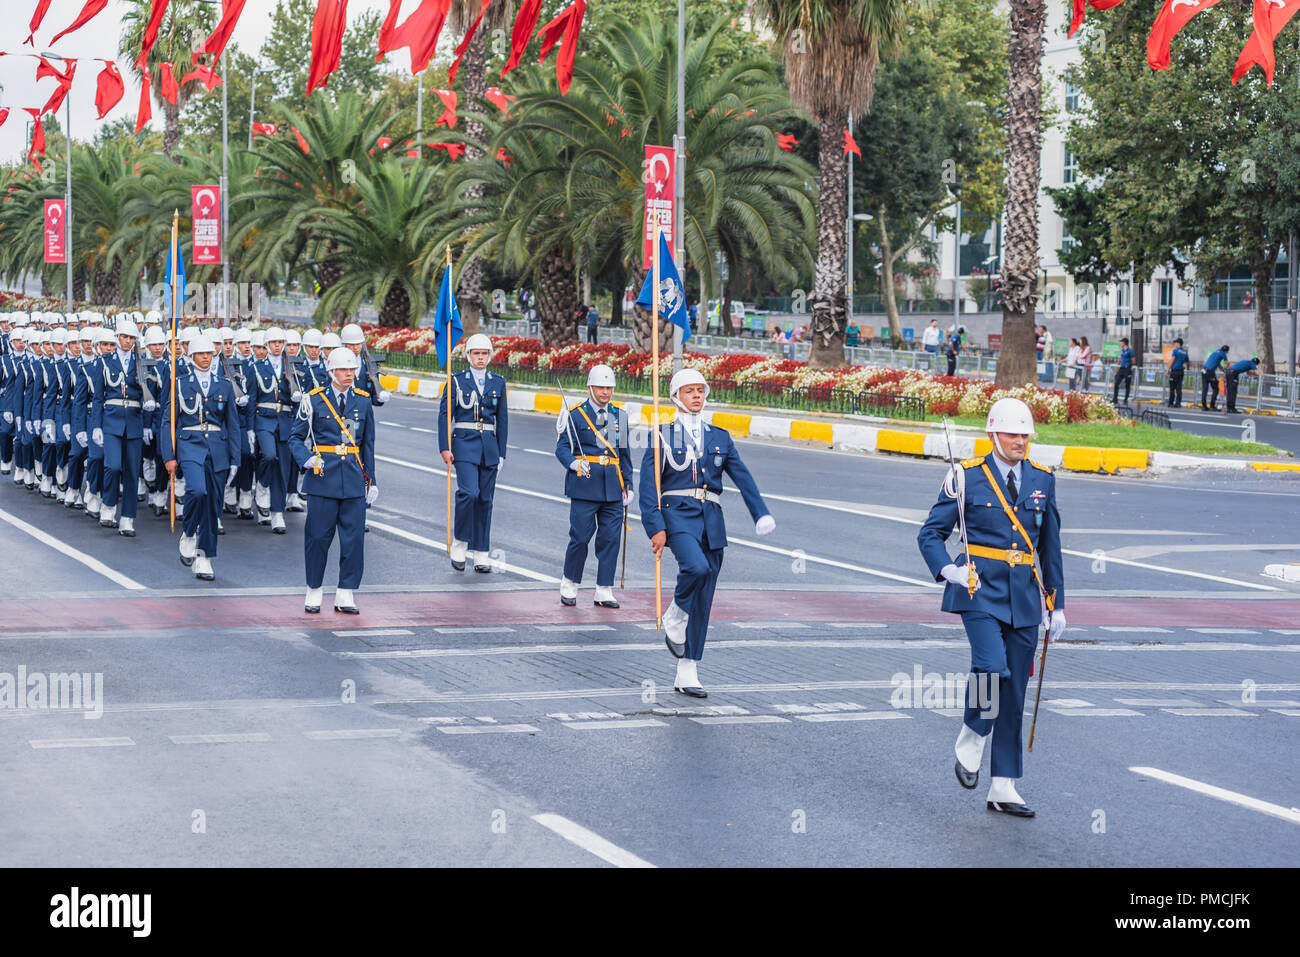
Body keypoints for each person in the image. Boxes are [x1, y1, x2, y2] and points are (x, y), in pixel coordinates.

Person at [916, 397, 1066, 818]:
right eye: (1012, 434)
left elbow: (1050, 548)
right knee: (990, 668)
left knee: (1014, 690)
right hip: (977, 588)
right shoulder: (966, 478)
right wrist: (949, 570)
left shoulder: (1043, 480)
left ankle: (1003, 785)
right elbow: (930, 534)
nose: (1020, 441)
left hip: (1025, 597)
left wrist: (1056, 603)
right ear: (992, 434)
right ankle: (972, 733)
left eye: (1025, 435)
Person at [640, 368, 776, 697]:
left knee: (704, 596)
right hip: (678, 516)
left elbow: (743, 478)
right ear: (675, 396)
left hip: (712, 519)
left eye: (700, 390)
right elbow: (648, 488)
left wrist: (761, 513)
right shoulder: (662, 435)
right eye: (689, 391)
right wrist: (655, 527)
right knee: (695, 568)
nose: (696, 396)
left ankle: (687, 670)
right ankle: (675, 613)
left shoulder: (720, 437)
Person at [291, 346, 378, 614]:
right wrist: (306, 459)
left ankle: (345, 592)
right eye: (344, 369)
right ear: (331, 372)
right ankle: (314, 589)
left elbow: (367, 445)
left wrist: (371, 481)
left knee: (353, 540)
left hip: (352, 480)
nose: (350, 374)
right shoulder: (314, 400)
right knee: (317, 537)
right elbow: (295, 437)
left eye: (352, 369)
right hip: (322, 478)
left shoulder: (363, 401)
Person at [160, 335, 241, 581]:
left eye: (209, 353)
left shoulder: (224, 385)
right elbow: (168, 422)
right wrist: (169, 455)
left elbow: (233, 424)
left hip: (218, 448)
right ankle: (188, 532)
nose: (206, 357)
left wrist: (235, 458)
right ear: (191, 356)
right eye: (201, 353)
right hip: (190, 445)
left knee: (213, 505)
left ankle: (204, 558)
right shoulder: (180, 383)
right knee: (197, 491)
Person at [555, 364, 634, 608]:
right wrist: (573, 464)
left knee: (610, 538)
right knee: (579, 538)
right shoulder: (575, 414)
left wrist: (628, 485)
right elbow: (562, 447)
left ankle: (604, 589)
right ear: (590, 387)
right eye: (600, 387)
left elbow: (624, 454)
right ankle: (570, 583)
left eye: (609, 388)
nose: (605, 392)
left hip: (612, 486)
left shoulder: (620, 416)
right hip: (585, 485)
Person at [438, 333, 508, 572]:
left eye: (484, 354)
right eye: (476, 353)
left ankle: (481, 552)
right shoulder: (456, 381)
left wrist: (501, 453)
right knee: (469, 493)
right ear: (468, 356)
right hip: (464, 445)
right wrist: (444, 446)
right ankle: (459, 542)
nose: (480, 358)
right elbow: (445, 415)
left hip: (489, 447)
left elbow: (503, 420)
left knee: (485, 500)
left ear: (490, 356)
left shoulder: (498, 382)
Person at [92, 318, 153, 536]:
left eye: (131, 338)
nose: (127, 341)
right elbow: (98, 397)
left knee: (132, 472)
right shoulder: (105, 362)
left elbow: (149, 394)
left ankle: (127, 517)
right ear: (117, 338)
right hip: (111, 421)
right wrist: (96, 426)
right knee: (113, 466)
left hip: (134, 421)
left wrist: (147, 419)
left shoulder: (141, 362)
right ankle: (108, 506)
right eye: (124, 337)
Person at [249, 327, 296, 533]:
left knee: (283, 468)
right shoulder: (257, 368)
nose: (277, 345)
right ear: (267, 345)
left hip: (285, 421)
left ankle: (277, 514)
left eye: (280, 342)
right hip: (264, 420)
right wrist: (250, 429)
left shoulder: (292, 368)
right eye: (273, 342)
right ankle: (262, 483)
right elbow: (251, 400)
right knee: (268, 456)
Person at [1201, 344, 1230, 410]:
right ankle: (1212, 406)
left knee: (1204, 389)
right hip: (1210, 372)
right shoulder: (1223, 353)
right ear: (1226, 351)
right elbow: (1227, 363)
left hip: (1204, 370)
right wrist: (1229, 370)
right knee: (1216, 388)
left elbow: (1218, 363)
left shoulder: (1216, 351)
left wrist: (1223, 370)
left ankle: (1204, 406)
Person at [1112, 337, 1135, 405]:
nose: (1121, 343)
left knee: (1127, 385)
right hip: (1121, 369)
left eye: (1121, 342)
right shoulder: (1122, 350)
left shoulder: (1129, 351)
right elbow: (1121, 358)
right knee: (1116, 383)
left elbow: (1133, 361)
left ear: (1124, 343)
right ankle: (1115, 399)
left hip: (1127, 368)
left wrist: (1129, 365)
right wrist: (1117, 364)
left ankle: (1125, 400)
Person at [1167, 338, 1188, 408]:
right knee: (1179, 388)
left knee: (1172, 388)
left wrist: (1167, 370)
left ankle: (1171, 403)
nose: (1175, 344)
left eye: (1175, 343)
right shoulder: (1185, 352)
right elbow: (1187, 362)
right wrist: (1188, 368)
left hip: (1174, 371)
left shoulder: (1175, 351)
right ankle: (1178, 403)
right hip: (1181, 372)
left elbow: (1172, 360)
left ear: (1178, 343)